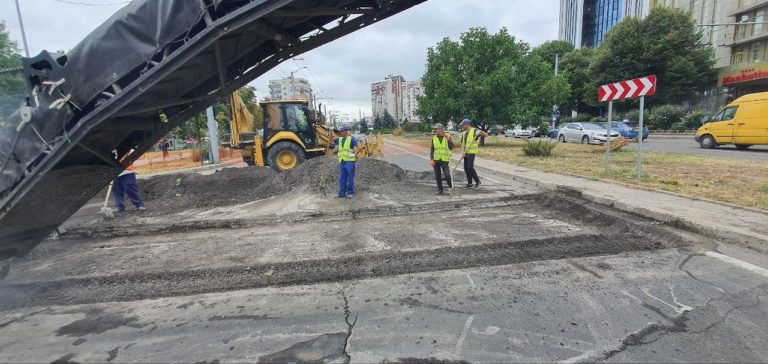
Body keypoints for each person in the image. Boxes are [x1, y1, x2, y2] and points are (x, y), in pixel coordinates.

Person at [333, 124, 361, 198]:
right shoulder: (339, 139)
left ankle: (350, 193)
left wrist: (354, 155)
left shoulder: (351, 139)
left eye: (342, 131)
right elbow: (331, 141)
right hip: (342, 162)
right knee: (342, 179)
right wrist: (330, 133)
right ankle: (341, 194)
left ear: (346, 131)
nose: (341, 132)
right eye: (340, 131)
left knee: (350, 178)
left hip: (350, 162)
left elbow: (359, 147)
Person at [460, 119, 488, 188]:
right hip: (465, 153)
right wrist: (462, 152)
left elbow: (486, 135)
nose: (462, 126)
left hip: (471, 153)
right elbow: (463, 144)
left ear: (467, 124)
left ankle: (478, 182)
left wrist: (480, 132)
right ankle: (470, 183)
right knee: (466, 169)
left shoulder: (474, 131)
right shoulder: (464, 133)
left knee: (470, 168)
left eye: (463, 125)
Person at [430, 123, 454, 195]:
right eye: (435, 129)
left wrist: (449, 139)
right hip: (436, 160)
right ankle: (440, 190)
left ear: (440, 129)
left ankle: (451, 188)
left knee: (447, 175)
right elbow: (432, 150)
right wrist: (431, 159)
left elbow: (452, 147)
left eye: (436, 129)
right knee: (438, 176)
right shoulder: (434, 138)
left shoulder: (446, 137)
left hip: (444, 160)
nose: (435, 130)